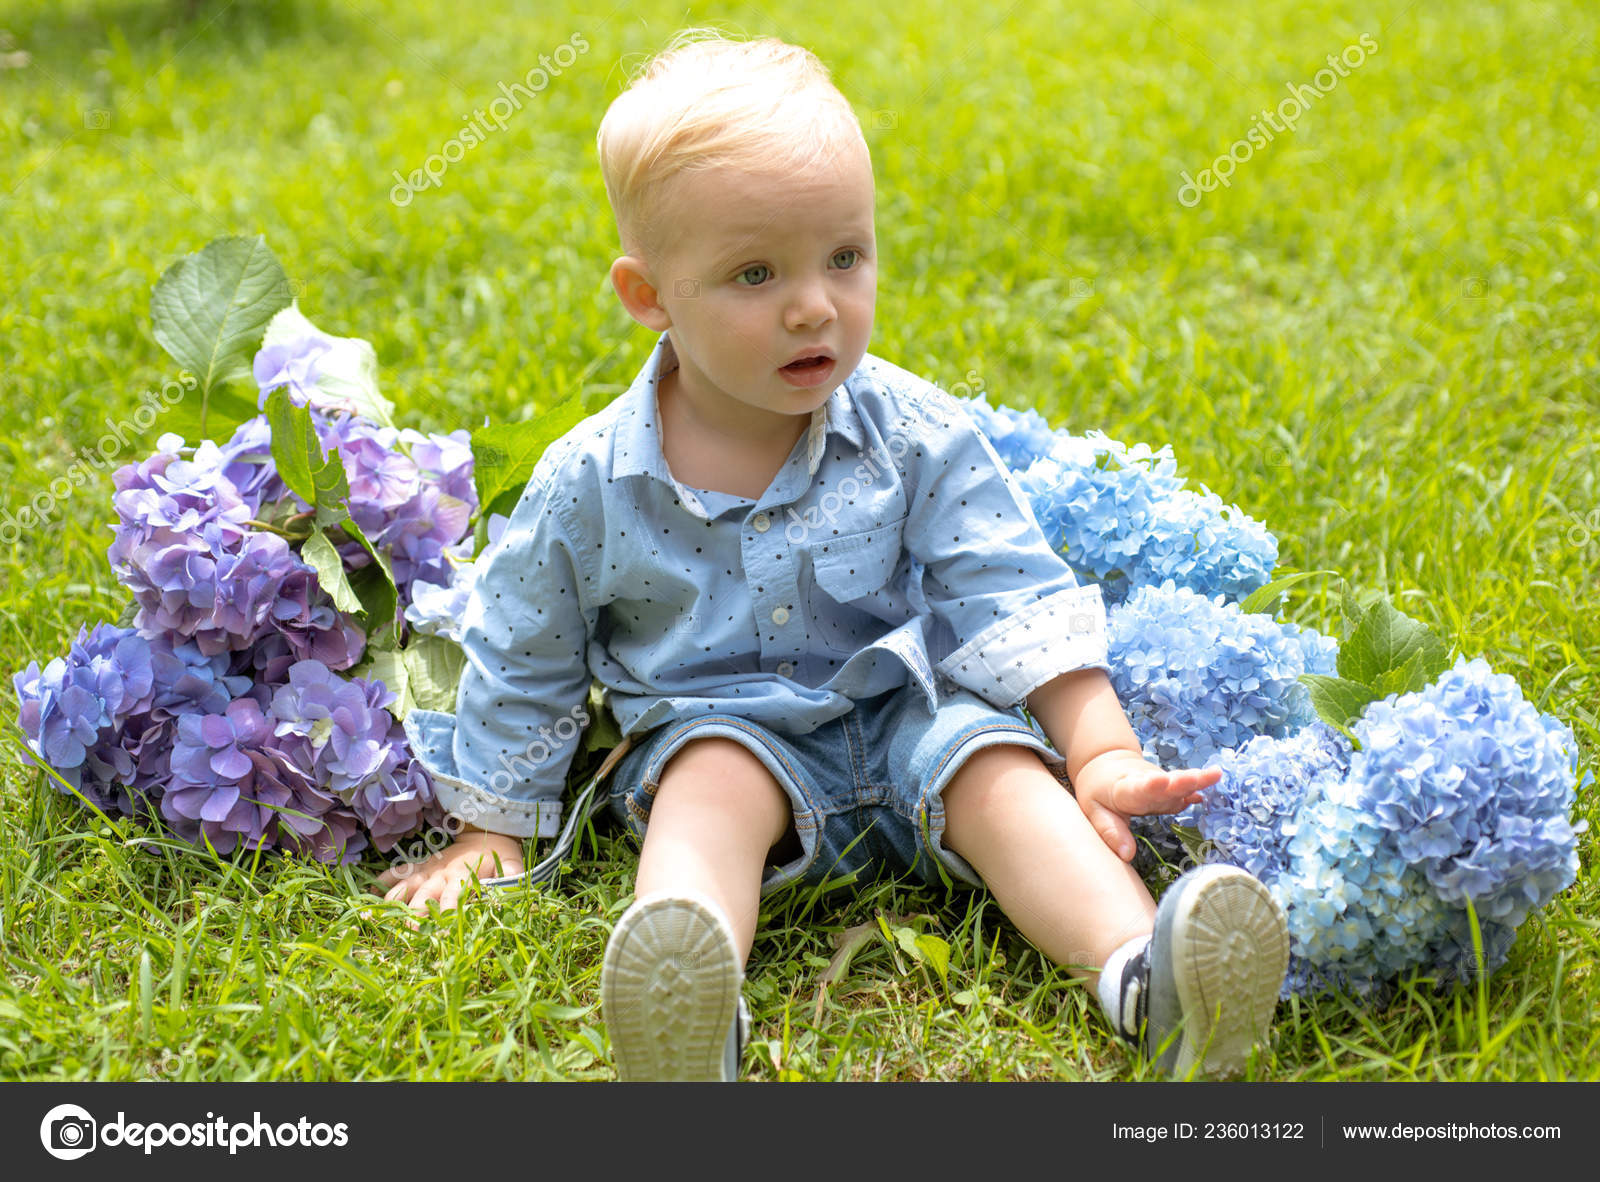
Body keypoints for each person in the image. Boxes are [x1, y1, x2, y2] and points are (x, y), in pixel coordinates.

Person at [375, 28, 1289, 1081]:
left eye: (843, 257)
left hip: (908, 715)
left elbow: (1011, 590)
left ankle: (1144, 976)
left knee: (1000, 773)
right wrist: (494, 827)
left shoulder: (911, 430)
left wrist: (1099, 753)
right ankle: (688, 1001)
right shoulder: (591, 481)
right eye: (755, 273)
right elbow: (525, 645)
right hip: (724, 733)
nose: (814, 304)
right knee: (707, 786)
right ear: (648, 295)